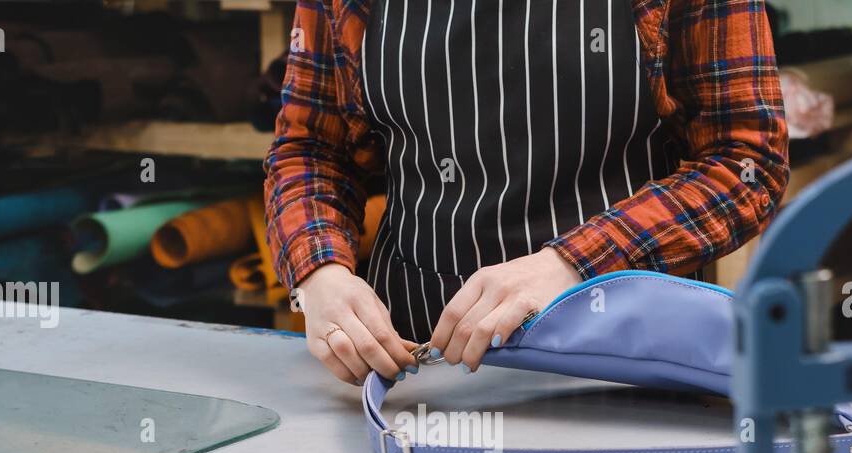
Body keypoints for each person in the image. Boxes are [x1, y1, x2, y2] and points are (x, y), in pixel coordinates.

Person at [265, 0, 789, 385]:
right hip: (415, 363)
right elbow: (312, 149)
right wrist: (319, 275)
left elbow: (745, 161)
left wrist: (574, 264)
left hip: (628, 367)